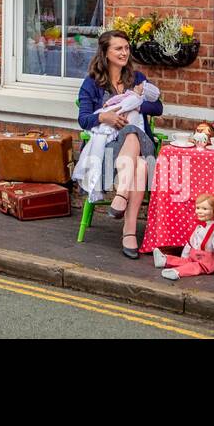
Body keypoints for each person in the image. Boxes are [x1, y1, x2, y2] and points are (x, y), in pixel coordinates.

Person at [77, 29, 163, 259]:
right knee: (142, 166)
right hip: (106, 151)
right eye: (118, 48)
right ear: (105, 53)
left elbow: (158, 108)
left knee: (133, 132)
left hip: (140, 143)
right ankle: (129, 232)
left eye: (126, 48)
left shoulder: (138, 79)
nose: (124, 53)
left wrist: (133, 104)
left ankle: (121, 196)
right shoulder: (92, 84)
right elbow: (84, 119)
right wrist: (105, 117)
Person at [153, 193, 214, 281]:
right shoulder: (199, 227)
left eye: (205, 209)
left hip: (206, 263)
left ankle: (177, 272)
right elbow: (190, 243)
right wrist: (184, 257)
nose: (199, 211)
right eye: (198, 208)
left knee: (193, 267)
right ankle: (164, 260)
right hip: (193, 256)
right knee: (186, 262)